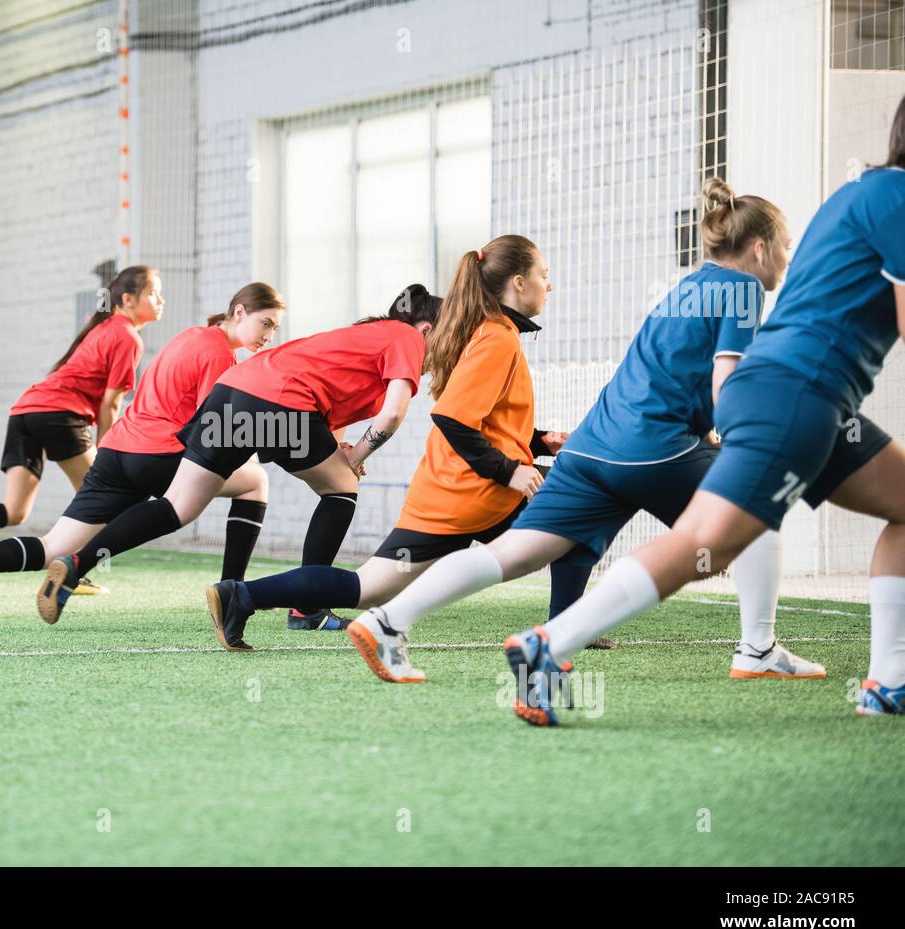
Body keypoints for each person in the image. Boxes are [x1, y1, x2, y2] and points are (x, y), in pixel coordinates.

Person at [505, 97, 905, 724]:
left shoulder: (858, 195)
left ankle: (887, 682)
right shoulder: (897, 201)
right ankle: (549, 643)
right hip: (794, 396)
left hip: (801, 398)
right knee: (707, 546)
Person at [347, 183, 815, 686]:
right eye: (787, 247)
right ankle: (757, 649)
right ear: (761, 248)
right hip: (652, 447)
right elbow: (727, 381)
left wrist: (704, 436)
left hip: (593, 448)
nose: (788, 260)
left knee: (511, 553)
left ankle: (390, 620)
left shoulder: (687, 285)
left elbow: (673, 377)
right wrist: (745, 437)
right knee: (756, 513)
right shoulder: (742, 288)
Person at [207, 242, 588, 659]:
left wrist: (539, 439)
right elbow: (454, 419)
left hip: (450, 495)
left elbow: (487, 421)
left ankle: (240, 596)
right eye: (544, 275)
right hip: (474, 493)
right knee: (578, 515)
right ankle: (564, 630)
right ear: (518, 282)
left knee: (369, 587)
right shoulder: (496, 337)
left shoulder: (494, 333)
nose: (549, 286)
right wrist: (509, 471)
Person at [35, 284, 435, 639]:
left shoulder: (365, 336)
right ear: (427, 329)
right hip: (278, 405)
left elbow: (330, 419)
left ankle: (76, 563)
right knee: (342, 489)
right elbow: (393, 415)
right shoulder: (407, 337)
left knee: (179, 505)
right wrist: (356, 459)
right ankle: (307, 609)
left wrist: (347, 454)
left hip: (232, 392)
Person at [0, 283, 284, 615]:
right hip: (158, 452)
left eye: (274, 329)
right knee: (255, 482)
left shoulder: (191, 335)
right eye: (264, 323)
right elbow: (210, 432)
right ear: (238, 312)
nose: (268, 335)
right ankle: (230, 593)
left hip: (114, 452)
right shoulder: (220, 355)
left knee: (51, 547)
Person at [0, 265, 160, 588]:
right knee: (103, 500)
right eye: (153, 293)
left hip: (26, 411)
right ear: (128, 299)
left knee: (15, 511)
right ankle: (69, 571)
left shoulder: (102, 327)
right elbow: (109, 403)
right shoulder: (127, 335)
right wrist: (110, 455)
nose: (161, 300)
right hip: (60, 415)